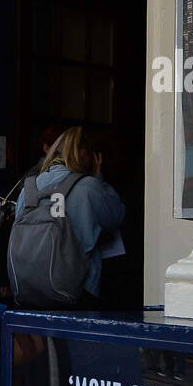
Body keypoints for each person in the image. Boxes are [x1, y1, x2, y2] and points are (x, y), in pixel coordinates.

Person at [12, 127, 125, 308]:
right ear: (84, 154)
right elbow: (116, 217)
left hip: (31, 285)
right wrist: (100, 179)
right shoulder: (89, 186)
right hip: (79, 288)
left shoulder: (29, 188)